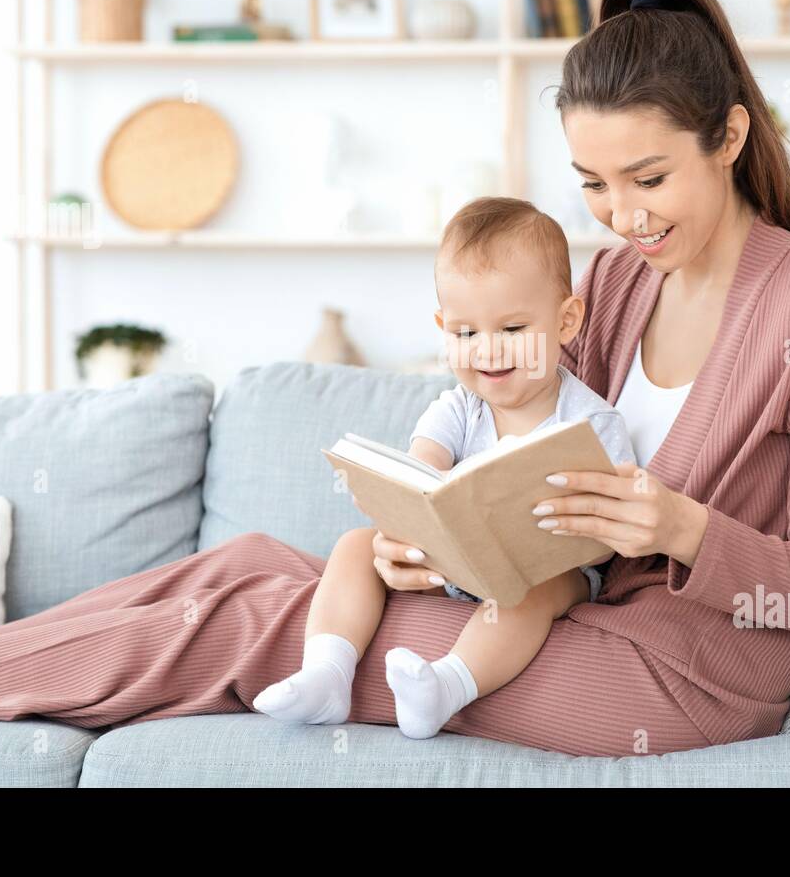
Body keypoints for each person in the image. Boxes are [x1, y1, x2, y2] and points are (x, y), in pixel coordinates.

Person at [0, 0, 790, 759]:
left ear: (730, 135)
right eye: (594, 185)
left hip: (683, 675)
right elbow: (532, 448)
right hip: (557, 612)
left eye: (648, 178)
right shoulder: (613, 283)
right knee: (254, 559)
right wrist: (436, 537)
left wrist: (685, 529)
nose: (623, 216)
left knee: (268, 617)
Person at [252, 196, 637, 739]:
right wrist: (413, 508)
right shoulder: (458, 407)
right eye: (465, 333)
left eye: (511, 328)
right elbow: (420, 473)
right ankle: (326, 673)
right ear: (443, 327)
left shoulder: (595, 422)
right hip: (456, 566)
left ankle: (446, 688)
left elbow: (609, 540)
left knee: (536, 592)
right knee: (353, 546)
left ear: (566, 320)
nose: (487, 350)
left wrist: (569, 533)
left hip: (547, 574)